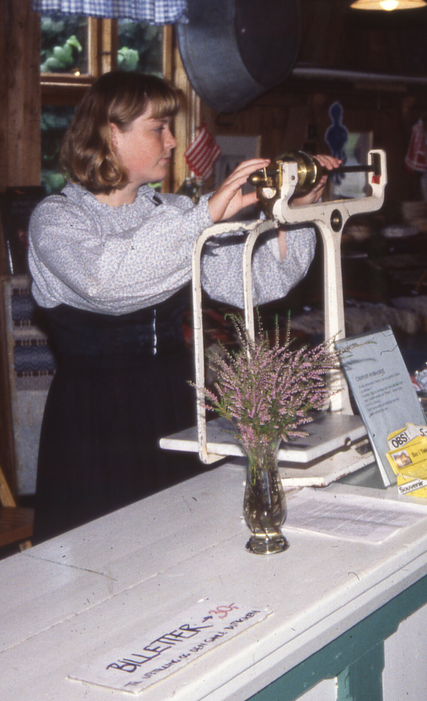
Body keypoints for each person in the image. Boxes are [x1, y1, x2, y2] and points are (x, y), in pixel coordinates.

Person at [27, 71, 339, 541]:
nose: (172, 140)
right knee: (101, 553)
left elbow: (257, 280)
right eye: (159, 127)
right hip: (95, 421)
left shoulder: (170, 213)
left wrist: (288, 215)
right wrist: (207, 213)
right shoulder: (56, 219)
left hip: (171, 403)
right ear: (111, 133)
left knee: (178, 547)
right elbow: (108, 282)